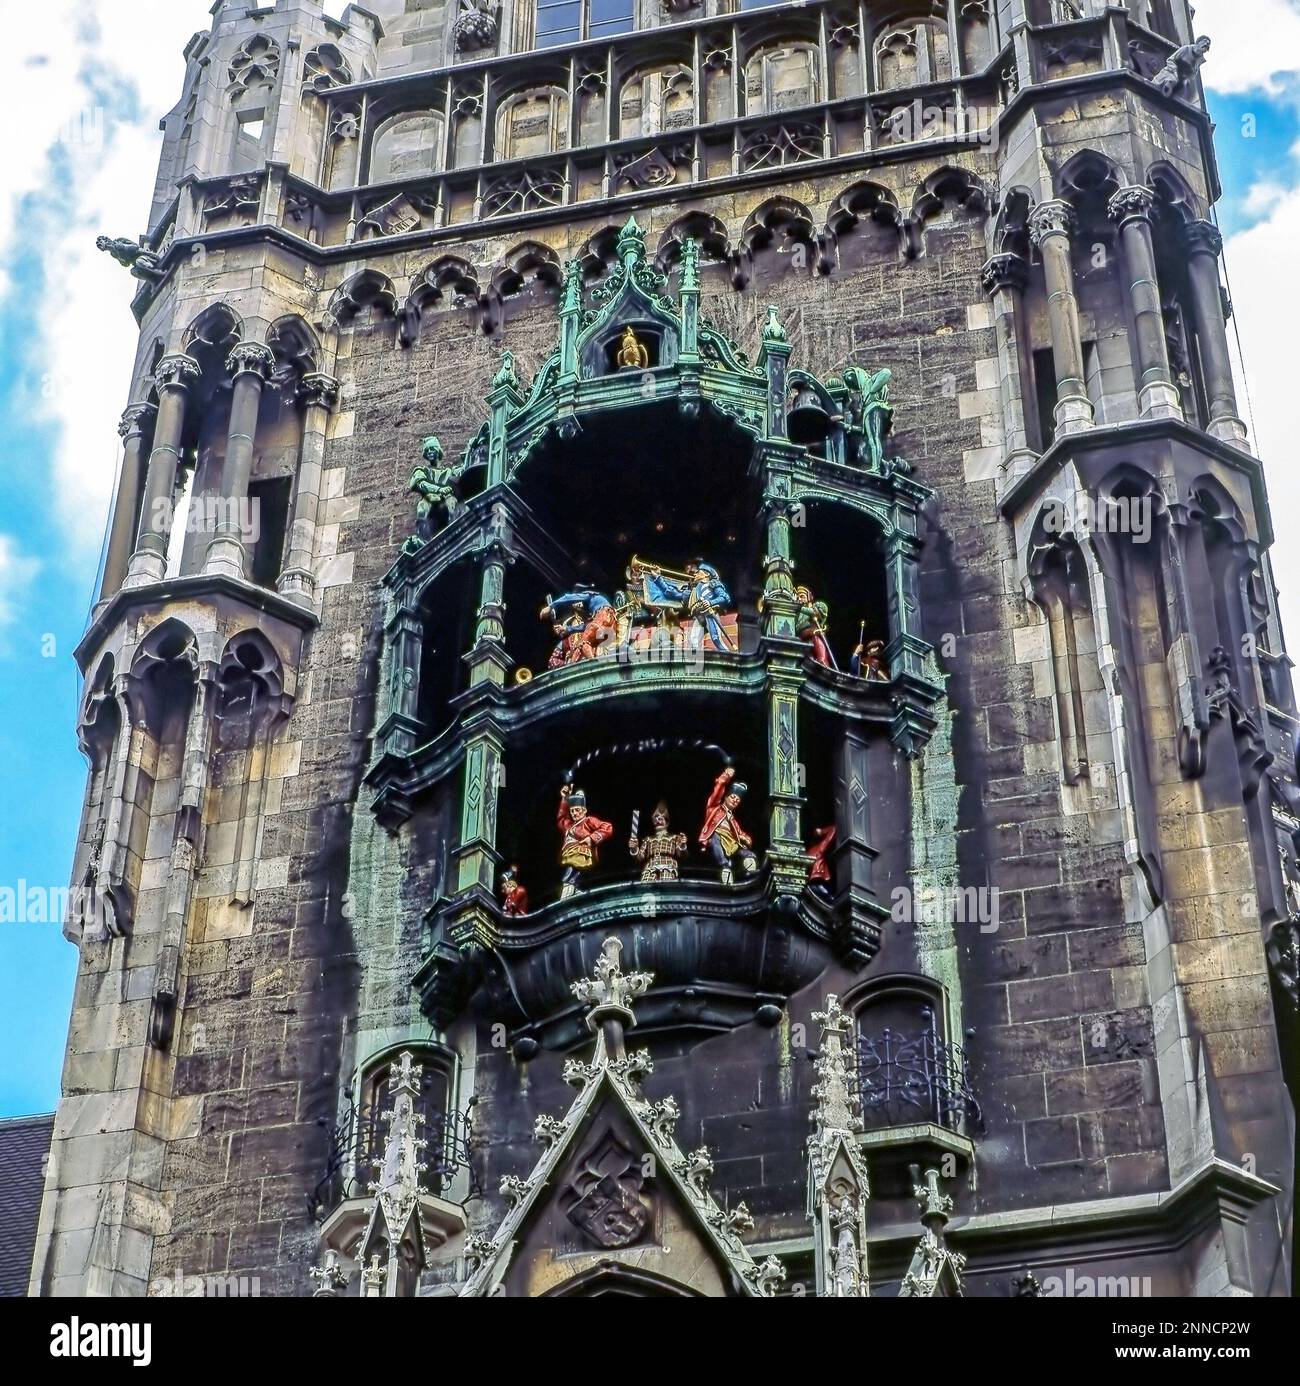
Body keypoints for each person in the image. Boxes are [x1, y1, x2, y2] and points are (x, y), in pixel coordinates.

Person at [699, 767, 758, 886]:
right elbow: (718, 789)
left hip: (731, 841)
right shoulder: (714, 808)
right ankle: (724, 867)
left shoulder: (733, 820)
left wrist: (747, 839)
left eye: (737, 799)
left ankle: (750, 869)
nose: (735, 800)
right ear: (725, 797)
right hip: (717, 837)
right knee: (714, 840)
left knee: (744, 851)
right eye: (732, 797)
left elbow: (739, 833)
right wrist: (726, 776)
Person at [557, 785, 614, 899]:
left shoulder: (589, 820)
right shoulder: (569, 826)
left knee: (572, 871)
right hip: (569, 853)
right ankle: (573, 889)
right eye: (572, 811)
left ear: (584, 810)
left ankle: (569, 889)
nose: (574, 813)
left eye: (577, 810)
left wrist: (591, 838)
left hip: (580, 852)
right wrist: (565, 799)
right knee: (574, 871)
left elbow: (607, 827)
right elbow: (561, 818)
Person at [629, 802, 688, 882]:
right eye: (656, 817)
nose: (658, 820)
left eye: (662, 818)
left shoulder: (674, 838)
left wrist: (683, 844)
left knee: (666, 885)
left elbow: (681, 854)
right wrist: (634, 849)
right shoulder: (648, 840)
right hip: (650, 867)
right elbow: (639, 858)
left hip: (668, 866)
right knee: (647, 887)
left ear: (667, 822)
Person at [806, 825, 836, 899]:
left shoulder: (807, 853)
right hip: (818, 879)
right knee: (830, 896)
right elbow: (833, 829)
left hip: (810, 881)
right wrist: (822, 831)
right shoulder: (819, 848)